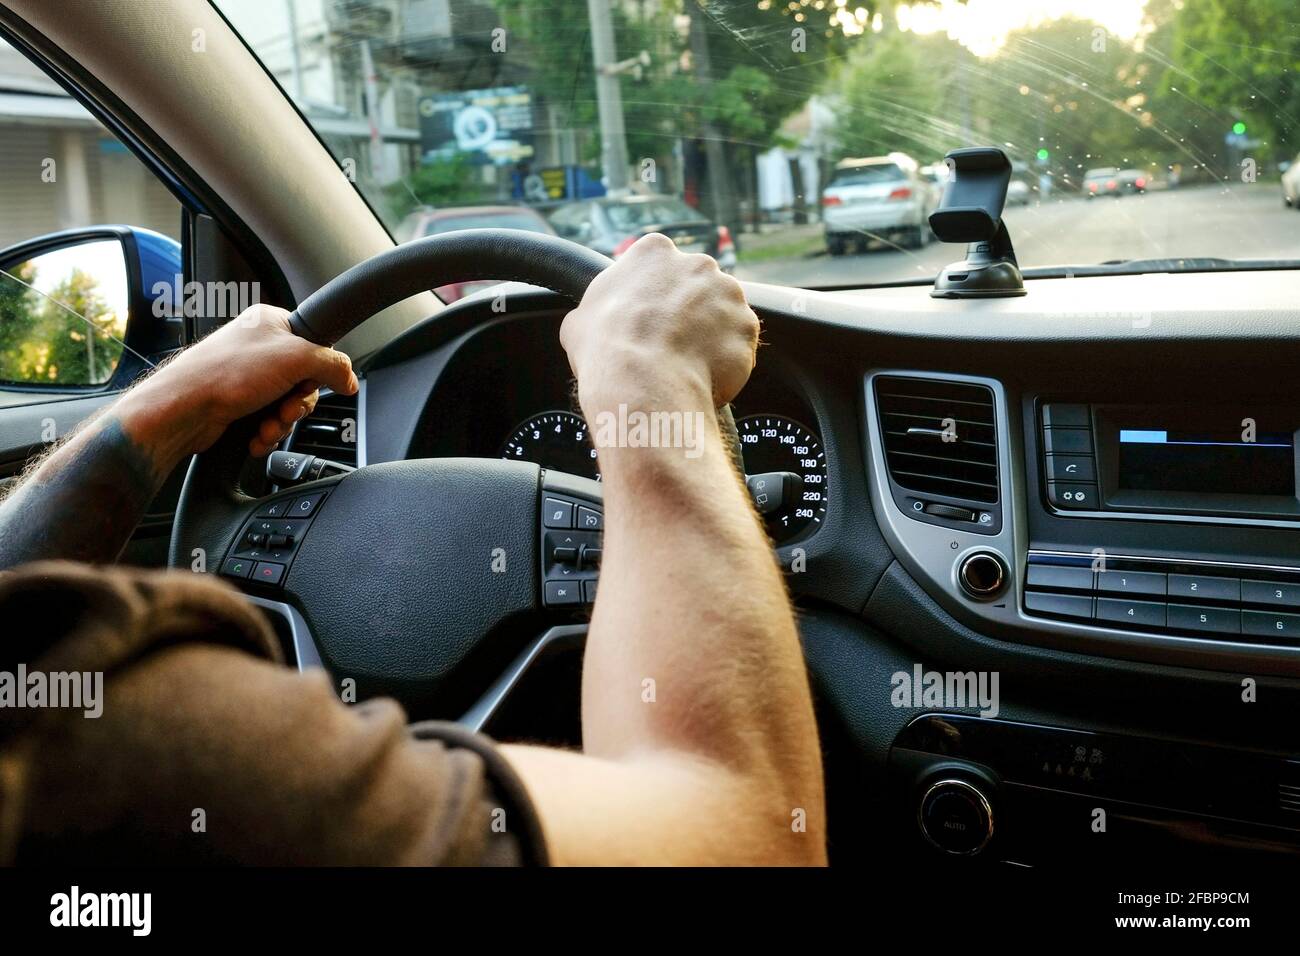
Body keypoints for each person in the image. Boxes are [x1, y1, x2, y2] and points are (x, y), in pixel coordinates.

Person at [0, 234, 825, 866]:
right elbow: (747, 834)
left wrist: (165, 410)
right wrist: (649, 377)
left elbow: (18, 608)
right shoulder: (123, 754)